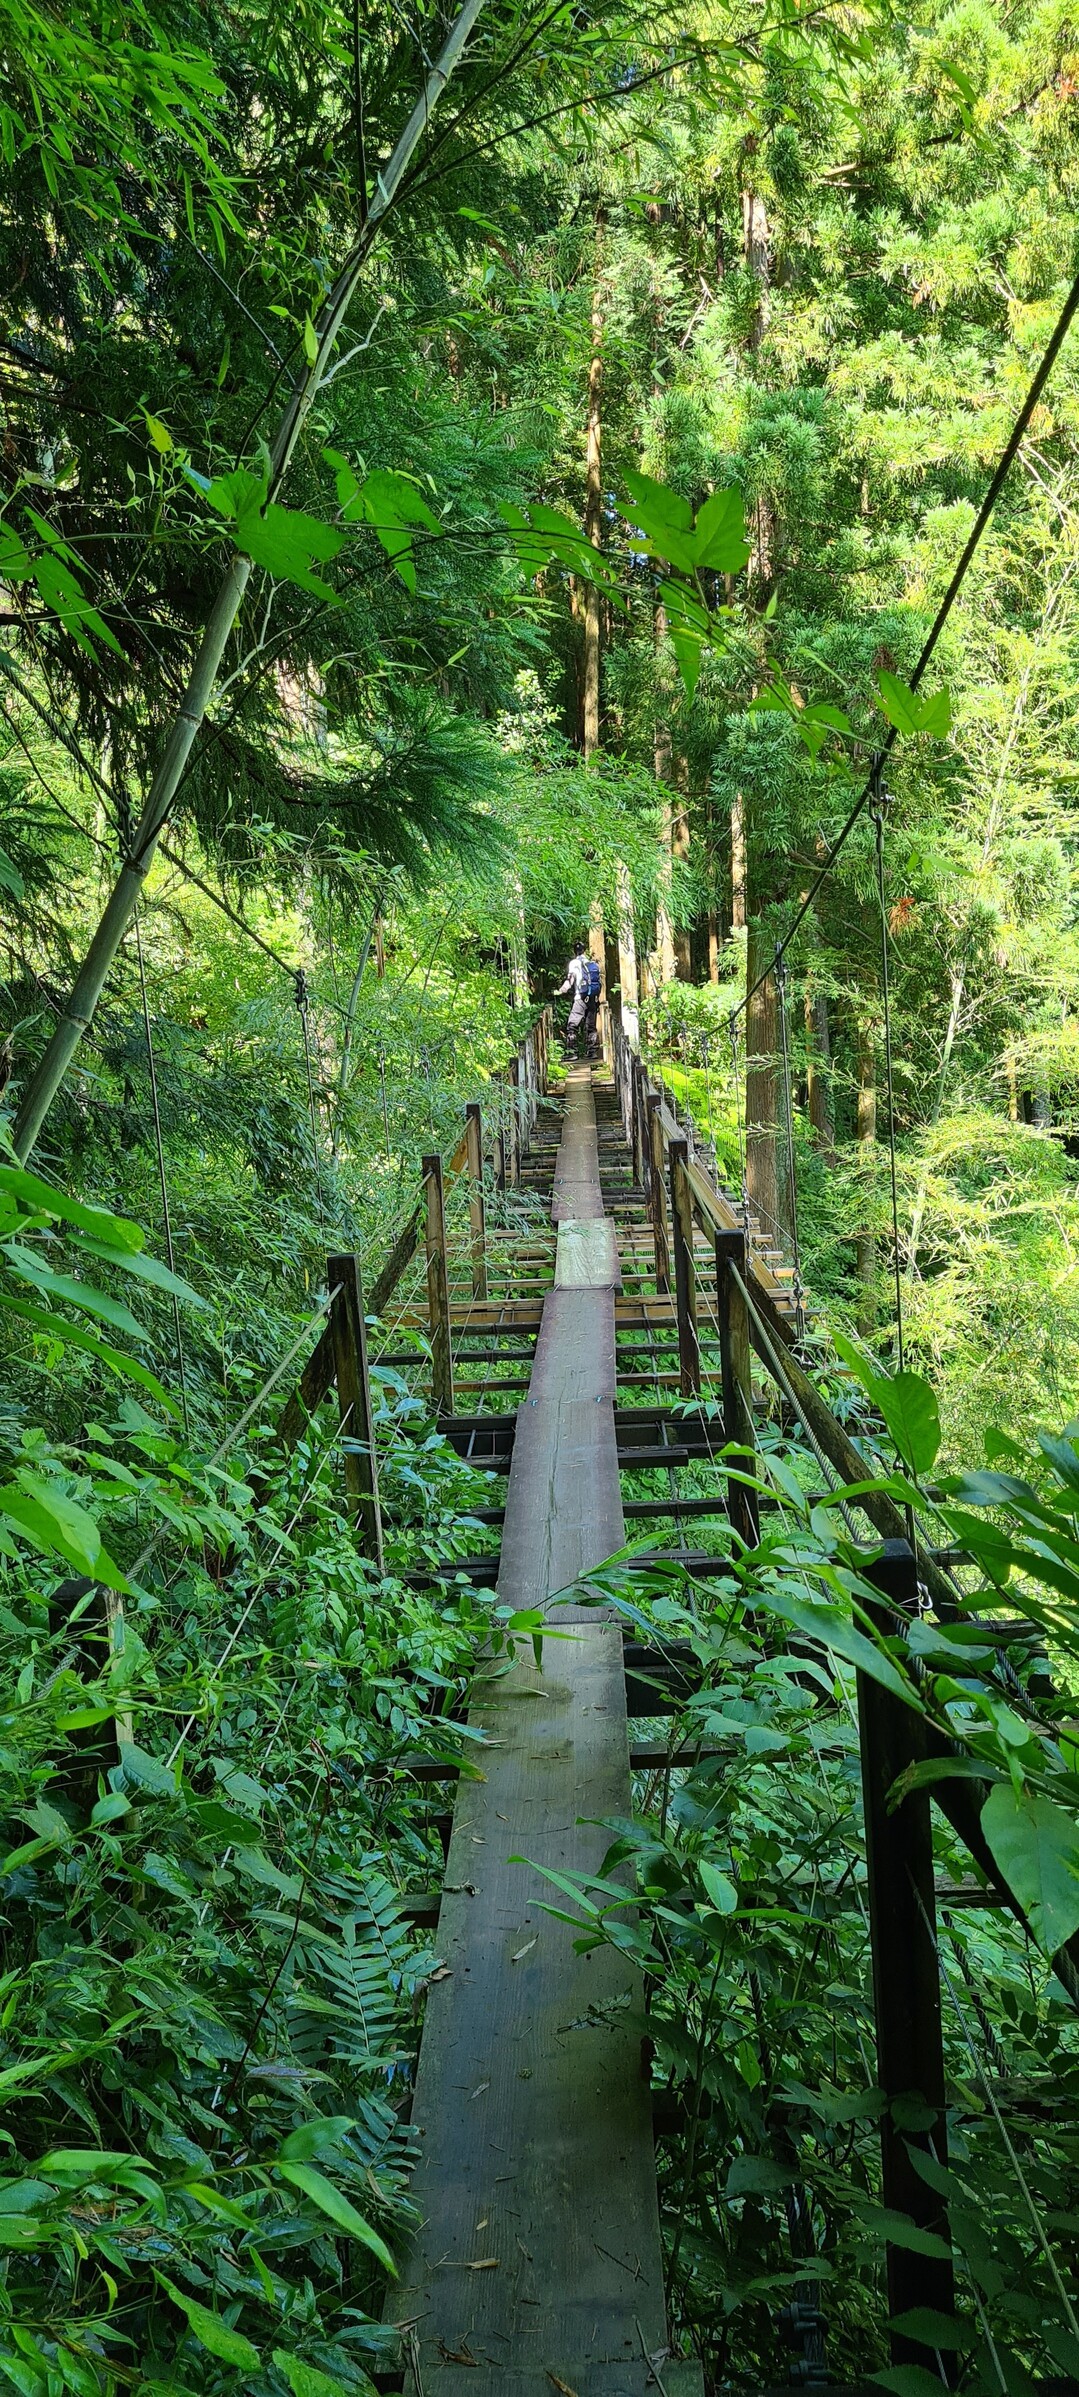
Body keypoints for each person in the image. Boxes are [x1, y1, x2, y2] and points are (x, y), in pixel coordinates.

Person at [555, 940, 601, 1060]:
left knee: (572, 1025)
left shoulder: (574, 963)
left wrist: (561, 990)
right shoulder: (592, 963)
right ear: (584, 950)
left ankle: (572, 1052)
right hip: (592, 999)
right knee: (591, 1026)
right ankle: (592, 1052)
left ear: (574, 951)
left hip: (580, 998)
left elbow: (570, 979)